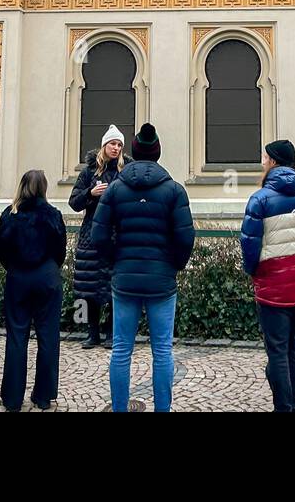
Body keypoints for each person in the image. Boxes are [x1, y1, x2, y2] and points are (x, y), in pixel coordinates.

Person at [90, 123, 194, 413]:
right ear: (158, 153)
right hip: (162, 281)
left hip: (125, 280)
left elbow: (98, 235)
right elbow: (185, 236)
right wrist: (175, 264)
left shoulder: (115, 190)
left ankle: (120, 409)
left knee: (122, 350)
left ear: (133, 153)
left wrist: (117, 261)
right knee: (162, 350)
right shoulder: (174, 190)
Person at [240, 139, 295, 413]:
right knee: (294, 347)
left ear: (274, 162)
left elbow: (250, 245)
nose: (263, 162)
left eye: (265, 158)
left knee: (277, 350)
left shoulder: (260, 199)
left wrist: (254, 271)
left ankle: (283, 407)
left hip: (272, 287)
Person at [0, 169, 67, 411]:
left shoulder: (10, 215)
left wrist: (14, 267)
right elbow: (61, 251)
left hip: (18, 278)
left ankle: (13, 398)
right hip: (47, 278)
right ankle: (43, 396)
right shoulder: (53, 215)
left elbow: (1, 250)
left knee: (17, 337)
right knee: (48, 337)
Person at [67, 124, 128, 348]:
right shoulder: (88, 172)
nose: (116, 148)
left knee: (114, 287)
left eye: (120, 144)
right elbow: (73, 202)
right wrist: (90, 193)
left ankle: (111, 333)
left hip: (116, 235)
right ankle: (92, 333)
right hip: (90, 235)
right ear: (104, 145)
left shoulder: (125, 171)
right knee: (90, 287)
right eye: (113, 143)